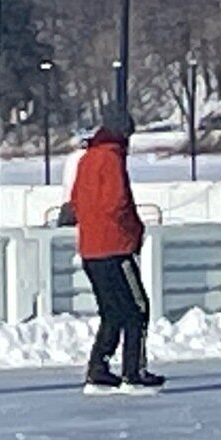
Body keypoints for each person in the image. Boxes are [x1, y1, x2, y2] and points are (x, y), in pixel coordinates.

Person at [70, 104, 161, 390]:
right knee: (137, 308)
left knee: (111, 311)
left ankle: (99, 367)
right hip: (116, 247)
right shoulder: (111, 158)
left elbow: (75, 202)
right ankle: (134, 371)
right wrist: (135, 231)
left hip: (90, 250)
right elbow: (117, 203)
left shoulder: (86, 159)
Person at [56, 131, 90, 228]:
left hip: (68, 203)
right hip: (85, 204)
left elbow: (68, 182)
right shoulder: (91, 158)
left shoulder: (71, 159)